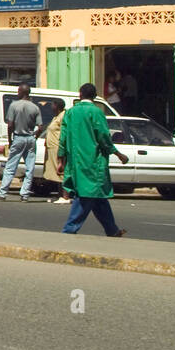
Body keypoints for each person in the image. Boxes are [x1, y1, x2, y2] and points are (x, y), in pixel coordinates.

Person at [58, 83, 130, 236]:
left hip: (76, 162)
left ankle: (112, 229)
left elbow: (63, 138)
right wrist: (118, 154)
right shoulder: (96, 113)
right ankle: (69, 229)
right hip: (93, 162)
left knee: (99, 198)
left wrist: (60, 160)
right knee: (87, 194)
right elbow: (104, 137)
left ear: (80, 95)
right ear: (95, 97)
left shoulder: (70, 113)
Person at [0, 85, 44, 201]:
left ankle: (2, 193)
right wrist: (35, 137)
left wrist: (10, 138)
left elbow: (10, 125)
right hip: (30, 138)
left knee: (10, 166)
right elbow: (40, 127)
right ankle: (25, 194)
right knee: (30, 167)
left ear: (22, 92)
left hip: (18, 137)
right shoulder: (35, 108)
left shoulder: (14, 105)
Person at [40, 101, 71, 204]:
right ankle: (59, 195)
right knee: (55, 172)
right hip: (51, 148)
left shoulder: (63, 116)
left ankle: (65, 196)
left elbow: (64, 132)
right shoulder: (55, 117)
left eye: (53, 104)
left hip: (57, 147)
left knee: (61, 171)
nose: (51, 107)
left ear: (57, 106)